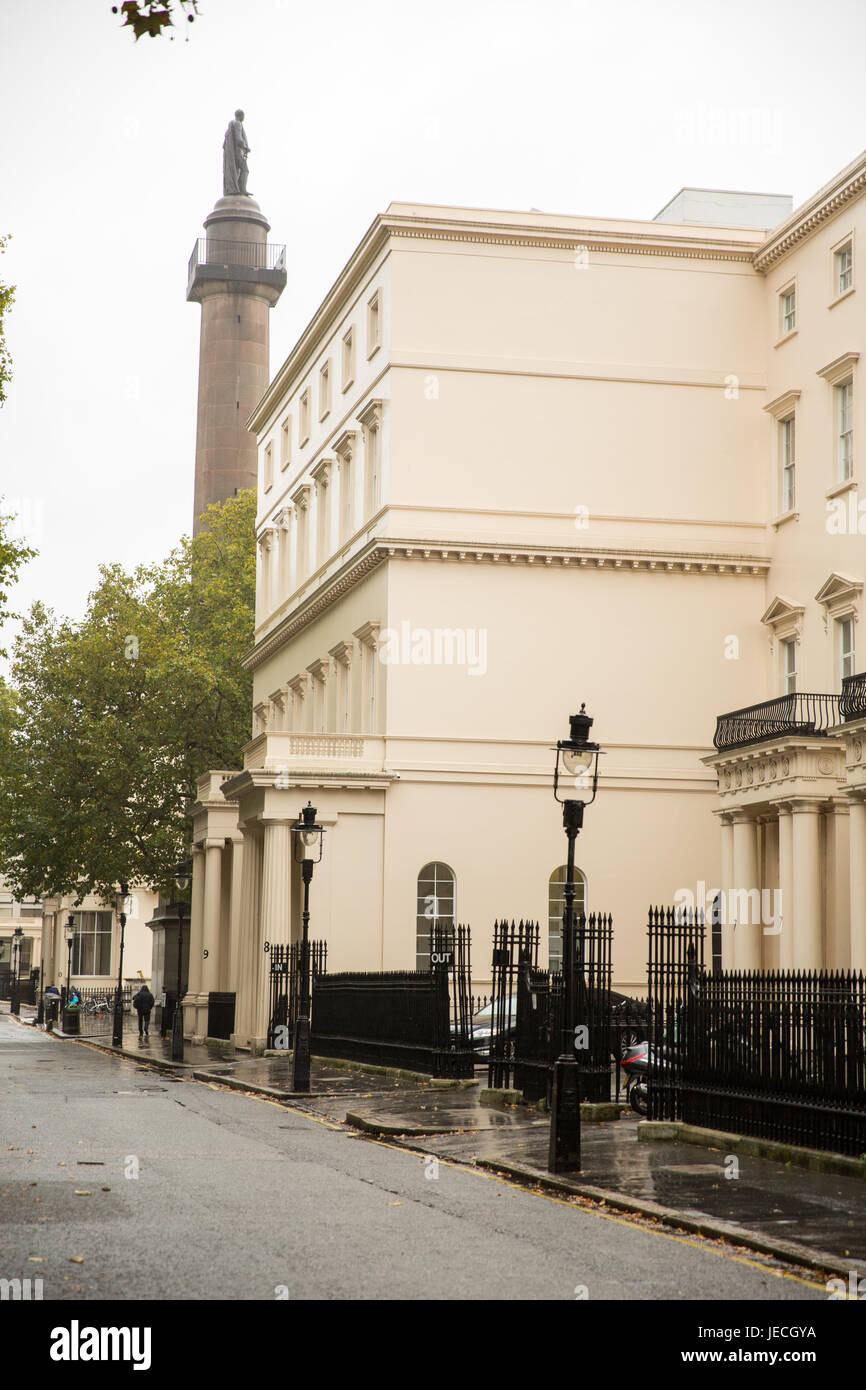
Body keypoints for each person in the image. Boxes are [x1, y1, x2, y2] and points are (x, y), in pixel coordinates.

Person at [222, 109, 250, 196]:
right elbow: (238, 139)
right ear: (241, 116)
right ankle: (242, 189)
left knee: (238, 170)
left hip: (233, 153)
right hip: (238, 152)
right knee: (245, 170)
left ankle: (236, 187)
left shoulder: (231, 125)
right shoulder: (237, 124)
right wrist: (245, 147)